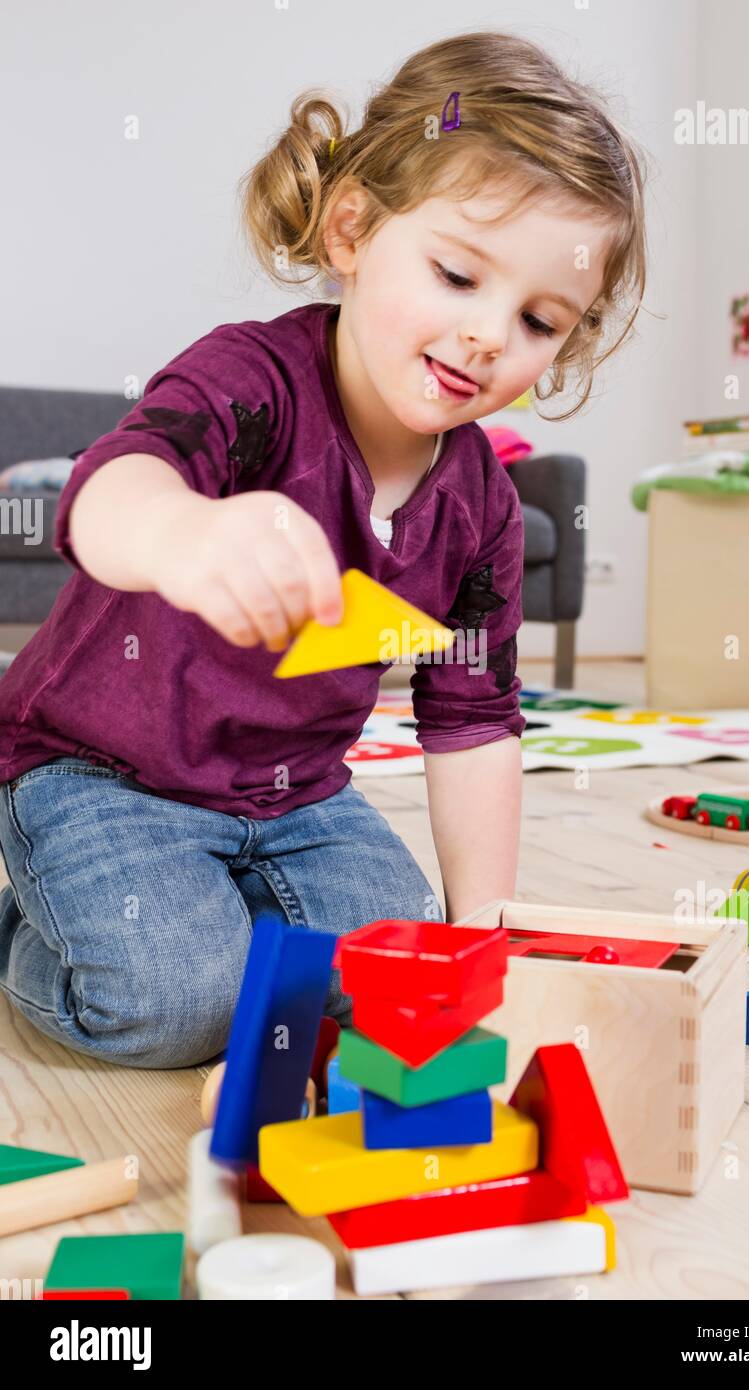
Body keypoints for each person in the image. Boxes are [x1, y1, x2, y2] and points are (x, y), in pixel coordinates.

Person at [0, 31, 647, 1068]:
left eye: (536, 319)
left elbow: (473, 721)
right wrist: (181, 530)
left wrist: (486, 917)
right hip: (100, 770)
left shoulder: (478, 500)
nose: (487, 335)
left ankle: (226, 919)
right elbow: (104, 492)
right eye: (454, 274)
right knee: (178, 1006)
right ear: (351, 229)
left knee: (386, 991)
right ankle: (26, 936)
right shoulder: (252, 381)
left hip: (297, 792)